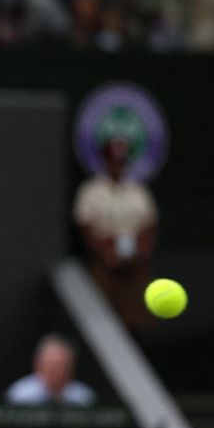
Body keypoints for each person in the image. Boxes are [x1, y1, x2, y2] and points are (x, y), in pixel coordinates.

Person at [73, 137, 158, 329]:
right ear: (105, 161)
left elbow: (149, 228)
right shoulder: (90, 192)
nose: (118, 165)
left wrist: (138, 254)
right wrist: (108, 254)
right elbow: (86, 230)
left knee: (136, 321)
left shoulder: (139, 191)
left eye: (122, 161)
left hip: (135, 267)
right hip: (103, 266)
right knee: (103, 321)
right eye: (113, 160)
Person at [6, 334, 97, 407]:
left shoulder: (84, 397)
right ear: (38, 364)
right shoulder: (20, 395)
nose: (58, 372)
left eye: (62, 366)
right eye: (53, 366)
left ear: (72, 367)